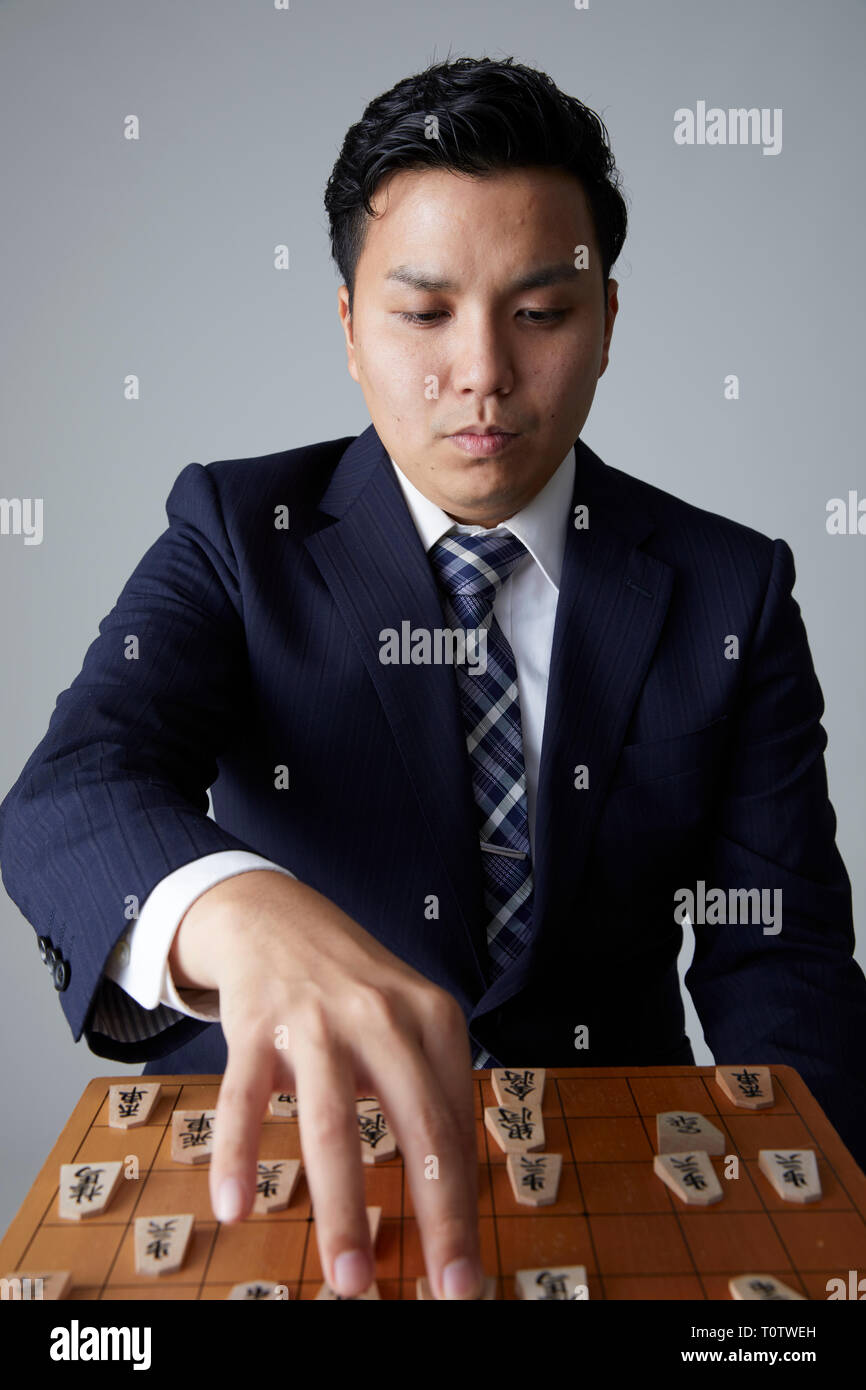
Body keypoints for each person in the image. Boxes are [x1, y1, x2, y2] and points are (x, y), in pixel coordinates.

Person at [2, 56, 864, 1302]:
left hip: (613, 1182)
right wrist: (233, 912)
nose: (483, 374)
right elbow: (72, 789)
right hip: (277, 1181)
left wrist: (828, 1231)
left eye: (540, 312)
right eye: (422, 313)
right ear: (348, 327)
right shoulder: (236, 533)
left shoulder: (731, 588)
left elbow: (775, 960)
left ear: (608, 322)